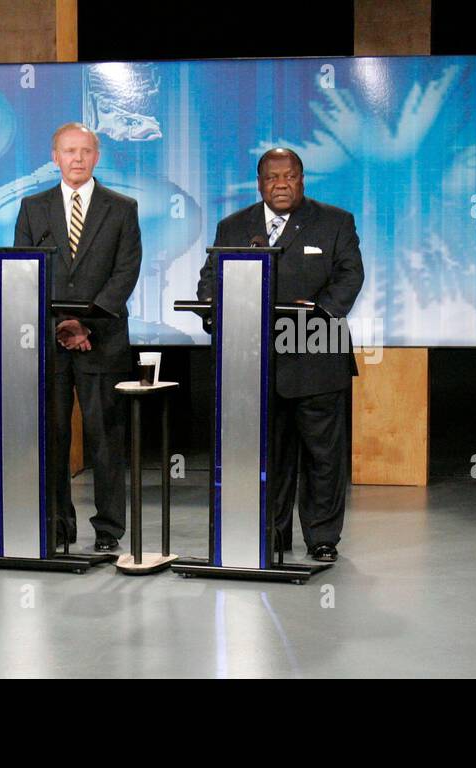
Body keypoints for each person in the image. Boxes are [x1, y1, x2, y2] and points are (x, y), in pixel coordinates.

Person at [198, 148, 364, 562]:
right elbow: (211, 279)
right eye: (273, 178)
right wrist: (212, 309)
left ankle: (322, 538)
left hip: (315, 354)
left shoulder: (335, 221)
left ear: (302, 179)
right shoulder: (234, 226)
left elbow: (350, 274)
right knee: (268, 455)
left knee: (323, 456)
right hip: (254, 363)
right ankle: (271, 534)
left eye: (289, 176)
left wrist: (322, 310)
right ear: (260, 184)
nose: (281, 184)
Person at [14, 122, 142, 552]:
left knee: (105, 439)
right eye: (69, 151)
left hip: (101, 341)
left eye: (85, 150)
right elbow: (24, 273)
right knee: (51, 437)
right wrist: (58, 327)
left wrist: (88, 326)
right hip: (49, 345)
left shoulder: (122, 208)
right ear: (55, 157)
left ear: (97, 156)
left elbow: (125, 273)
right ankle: (56, 525)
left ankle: (108, 531)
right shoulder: (33, 208)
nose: (77, 158)